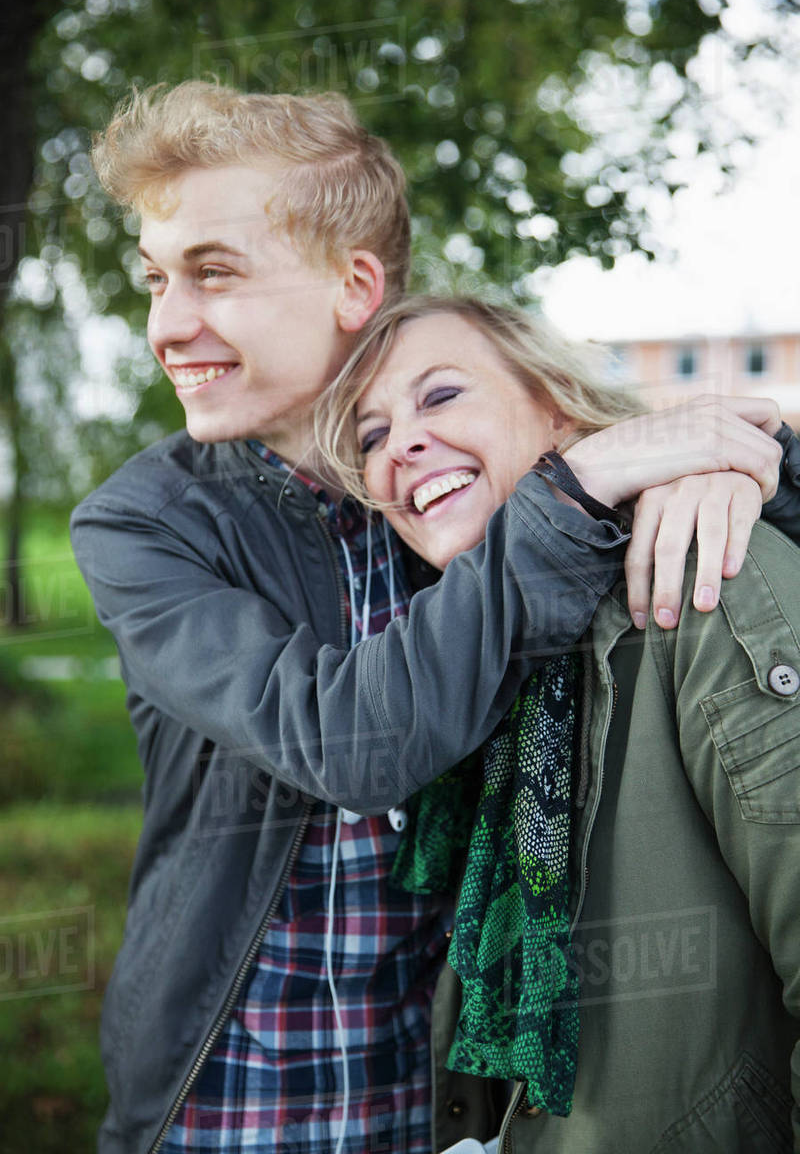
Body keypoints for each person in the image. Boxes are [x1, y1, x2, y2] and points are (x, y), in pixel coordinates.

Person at [72, 80, 793, 1154]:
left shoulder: (486, 486)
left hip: (443, 1102)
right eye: (155, 281)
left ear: (351, 282)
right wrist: (581, 491)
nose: (166, 326)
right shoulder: (147, 522)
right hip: (230, 1102)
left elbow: (615, 453)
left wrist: (748, 473)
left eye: (210, 274)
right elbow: (345, 740)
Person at [316, 294, 800, 1153]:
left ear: (559, 404)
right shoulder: (463, 674)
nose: (403, 446)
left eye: (438, 397)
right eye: (372, 437)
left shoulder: (704, 583)